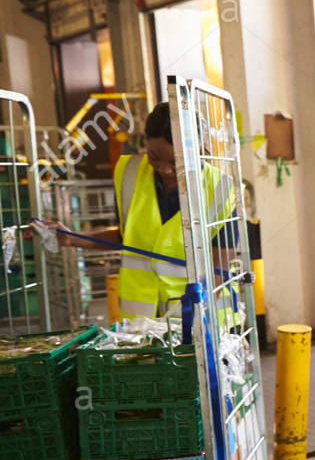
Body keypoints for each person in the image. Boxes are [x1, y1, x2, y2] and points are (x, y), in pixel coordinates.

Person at [40, 102, 236, 320]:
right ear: (146, 142)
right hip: (141, 320)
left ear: (199, 148)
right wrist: (73, 239)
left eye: (176, 161)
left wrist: (201, 322)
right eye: (155, 157)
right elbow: (128, 236)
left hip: (201, 316)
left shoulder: (221, 189)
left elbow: (220, 270)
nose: (165, 169)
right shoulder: (129, 173)